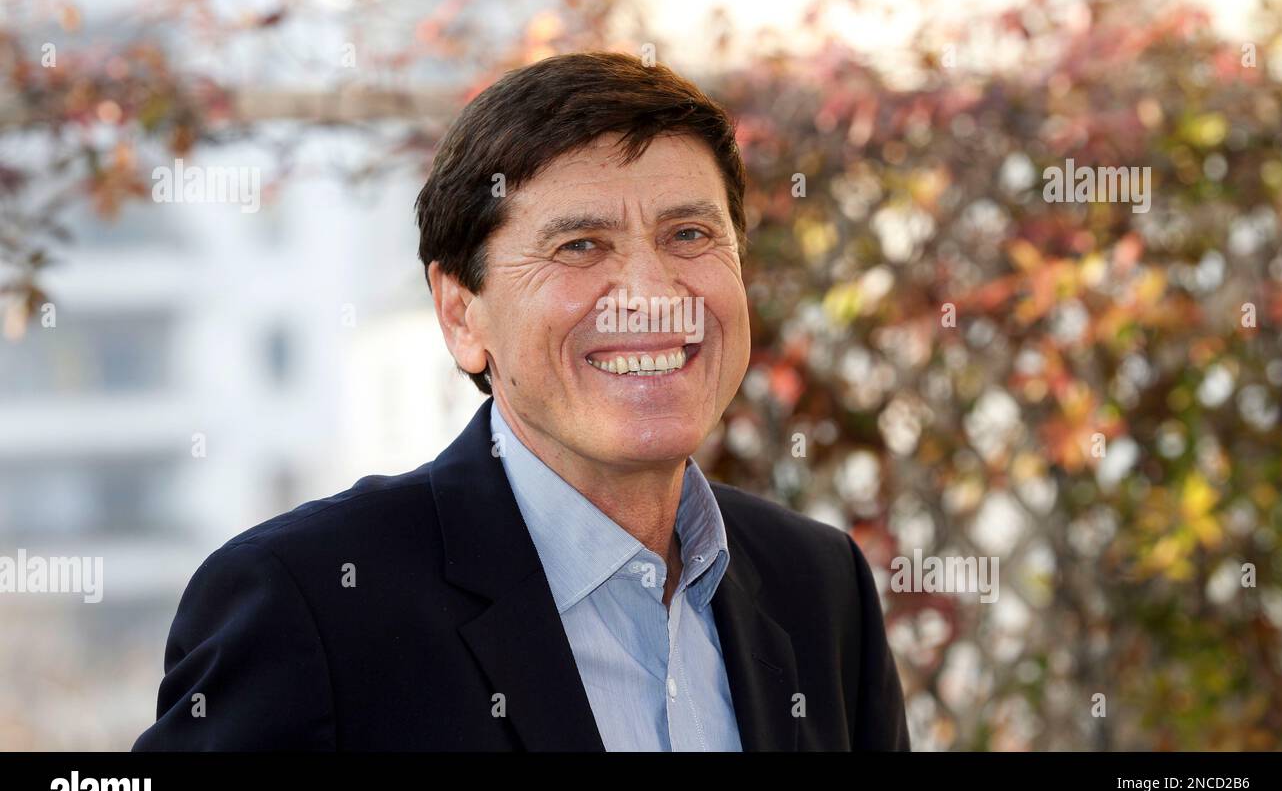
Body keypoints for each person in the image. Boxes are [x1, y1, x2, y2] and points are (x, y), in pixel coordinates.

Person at [133, 51, 909, 751]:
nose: (651, 296)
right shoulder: (310, 605)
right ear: (461, 315)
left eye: (688, 235)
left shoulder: (819, 586)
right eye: (580, 245)